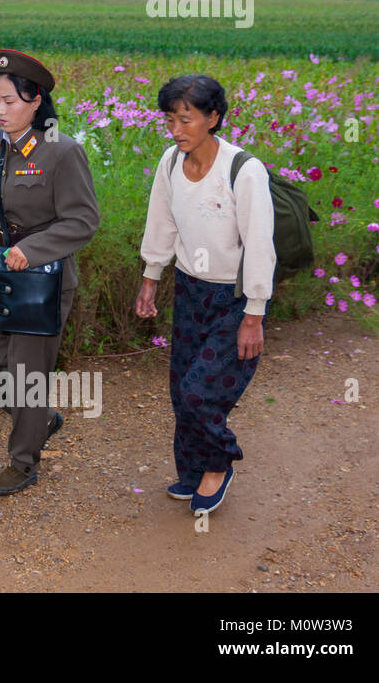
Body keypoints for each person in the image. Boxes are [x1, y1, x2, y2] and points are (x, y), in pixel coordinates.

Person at [0, 49, 100, 495]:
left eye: (10, 101)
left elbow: (83, 220)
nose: (0, 110)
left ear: (35, 101)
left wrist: (31, 250)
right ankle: (41, 419)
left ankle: (24, 460)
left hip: (42, 280)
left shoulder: (62, 152)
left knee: (28, 375)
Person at [134, 74, 275, 514]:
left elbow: (259, 244)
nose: (176, 130)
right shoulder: (171, 162)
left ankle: (219, 464)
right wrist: (151, 277)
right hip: (190, 290)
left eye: (186, 120)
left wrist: (253, 314)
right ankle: (192, 472)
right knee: (181, 391)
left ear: (213, 118)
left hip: (233, 298)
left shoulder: (244, 171)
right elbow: (161, 221)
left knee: (201, 392)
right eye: (171, 120)